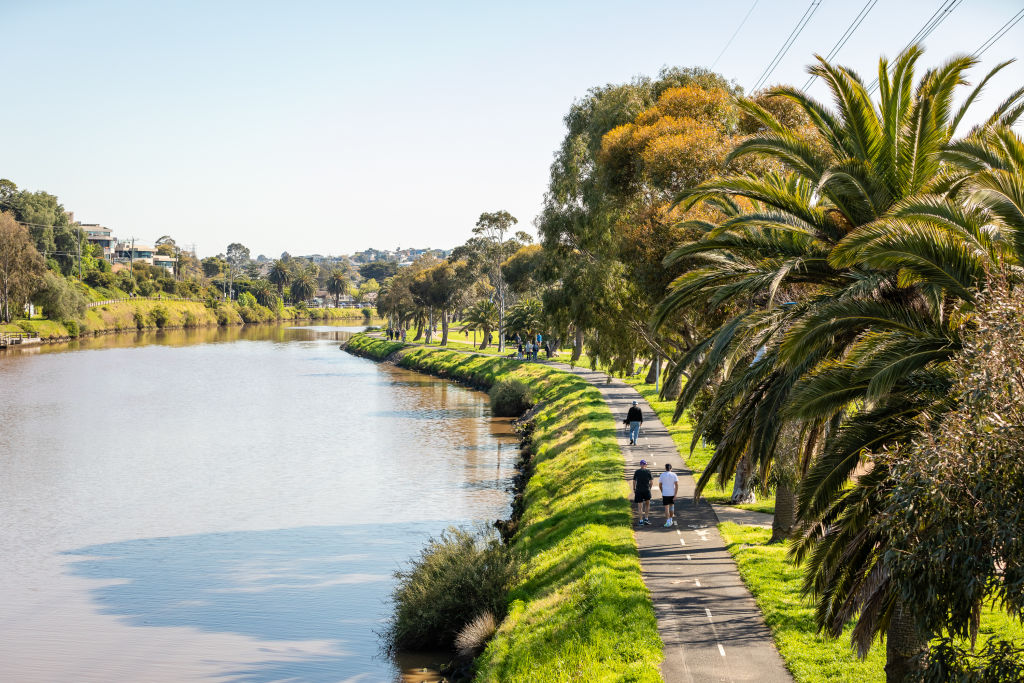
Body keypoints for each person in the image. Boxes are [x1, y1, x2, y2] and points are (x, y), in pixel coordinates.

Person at [632, 459, 653, 526]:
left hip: (638, 490)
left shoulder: (637, 472)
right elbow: (651, 482)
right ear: (645, 465)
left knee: (640, 506)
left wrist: (634, 488)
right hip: (646, 490)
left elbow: (634, 481)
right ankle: (646, 519)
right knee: (647, 504)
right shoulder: (648, 471)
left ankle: (641, 520)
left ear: (640, 465)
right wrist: (649, 488)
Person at [658, 463, 679, 527]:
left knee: (666, 508)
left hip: (665, 493)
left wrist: (662, 491)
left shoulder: (662, 475)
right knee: (672, 506)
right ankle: (671, 519)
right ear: (671, 468)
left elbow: (660, 485)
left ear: (665, 468)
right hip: (672, 493)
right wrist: (675, 494)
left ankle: (668, 521)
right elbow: (676, 485)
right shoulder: (674, 475)